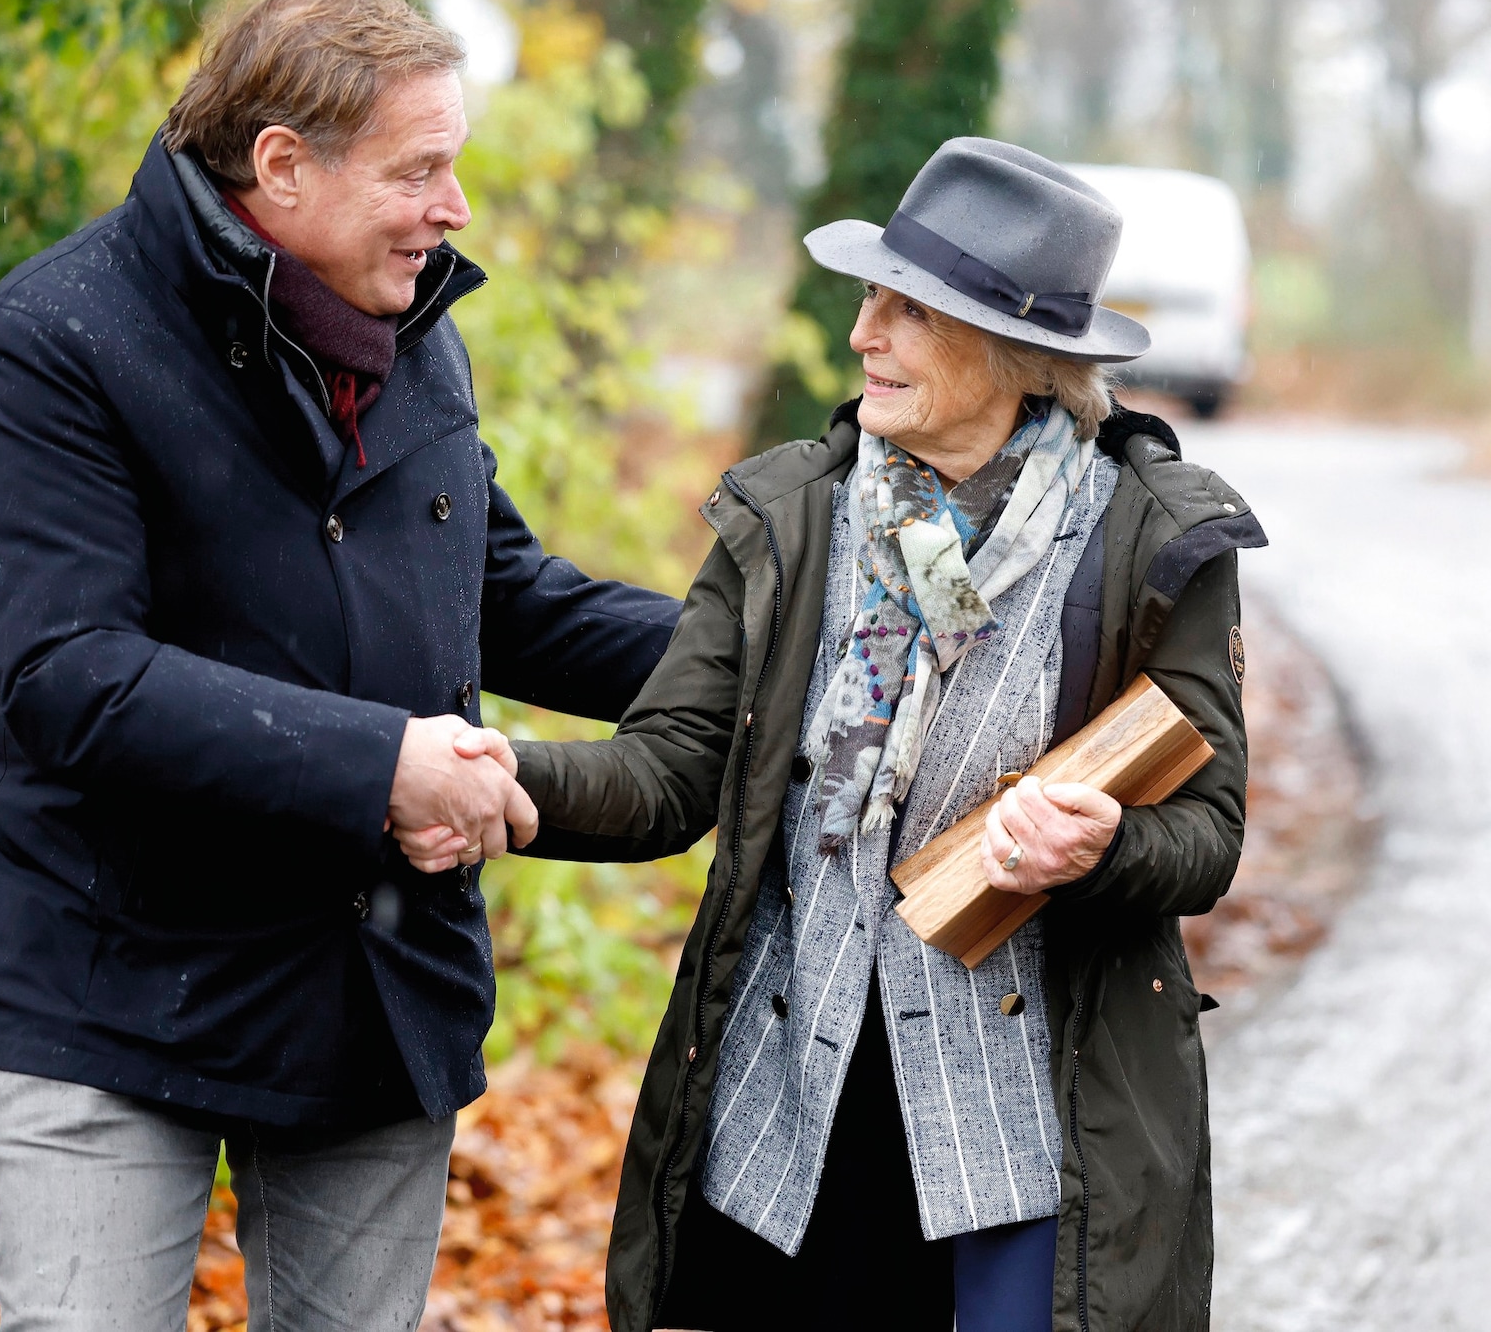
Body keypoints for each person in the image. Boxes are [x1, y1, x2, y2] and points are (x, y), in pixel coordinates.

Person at [0, 0, 683, 1331]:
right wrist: (385, 762)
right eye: (422, 170)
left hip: (372, 986)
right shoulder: (55, 342)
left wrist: (766, 646)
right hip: (116, 982)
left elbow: (500, 594)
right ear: (282, 165)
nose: (454, 209)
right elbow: (71, 677)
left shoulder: (411, 335)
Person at [451, 138, 1267, 1330]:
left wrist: (1101, 847)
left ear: (1017, 353)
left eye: (906, 310)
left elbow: (1206, 832)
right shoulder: (792, 514)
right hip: (794, 1108)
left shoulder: (1149, 541)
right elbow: (674, 768)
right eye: (866, 299)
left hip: (1031, 1127)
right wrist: (499, 779)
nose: (861, 336)